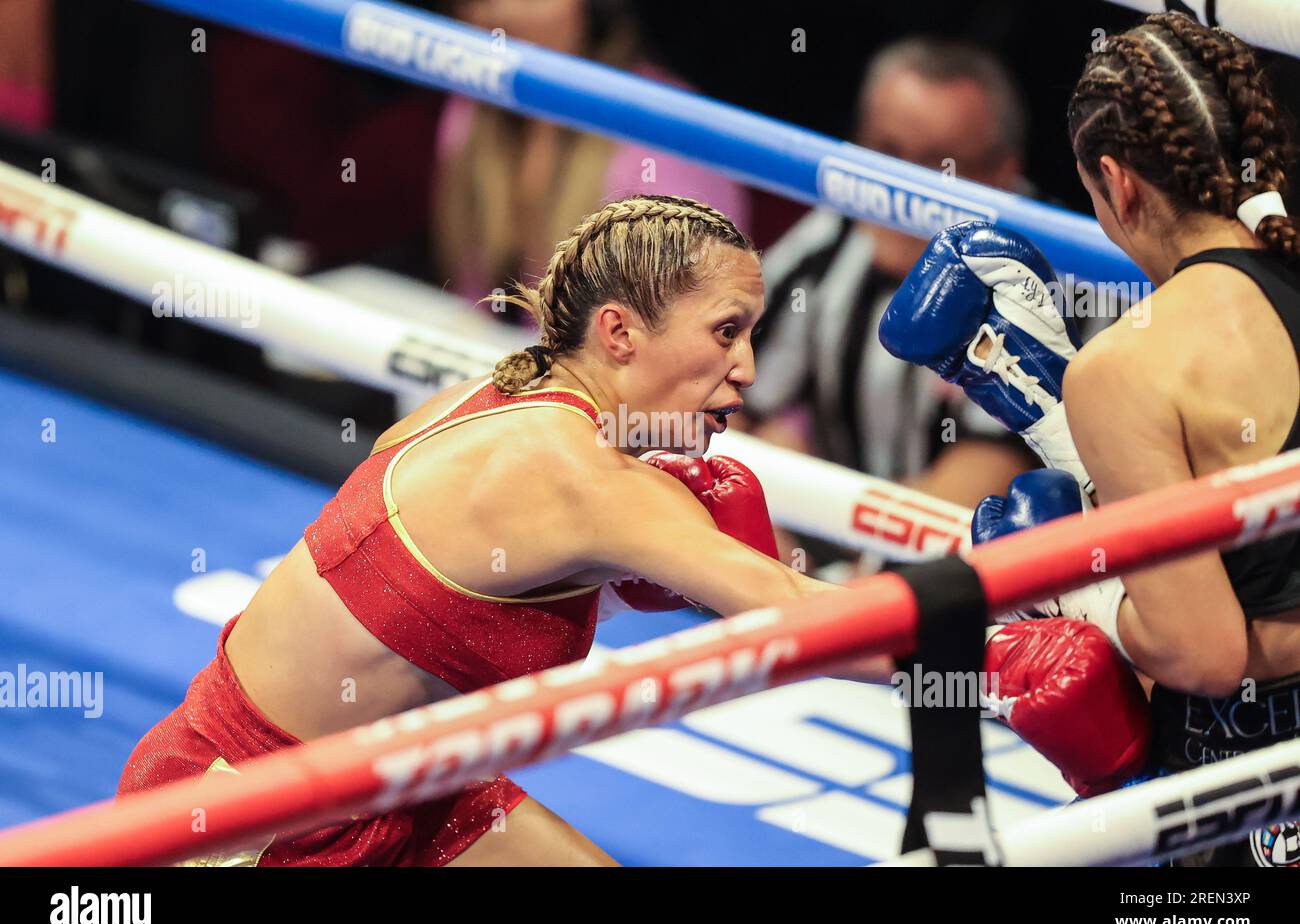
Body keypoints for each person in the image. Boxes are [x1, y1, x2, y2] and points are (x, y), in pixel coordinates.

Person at [117, 194, 882, 867]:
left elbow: (444, 608)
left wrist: (610, 593)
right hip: (248, 817)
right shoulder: (584, 477)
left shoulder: (501, 392)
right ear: (619, 332)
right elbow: (800, 614)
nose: (747, 368)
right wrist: (986, 658)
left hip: (402, 784)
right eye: (725, 331)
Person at [883, 12, 1300, 865]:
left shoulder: (1125, 370)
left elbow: (1207, 654)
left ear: (1117, 182)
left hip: (1245, 783)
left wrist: (1079, 595)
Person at [742, 38, 1039, 517]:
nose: (902, 190)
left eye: (939, 165)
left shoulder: (1038, 278)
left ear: (1001, 174)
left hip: (983, 563)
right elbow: (723, 405)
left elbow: (981, 483)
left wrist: (837, 571)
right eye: (887, 152)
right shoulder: (832, 237)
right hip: (836, 545)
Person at [432, 0, 750, 316]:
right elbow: (474, 298)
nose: (504, 14)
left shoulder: (669, 130)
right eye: (481, 1)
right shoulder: (469, 113)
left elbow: (691, 320)